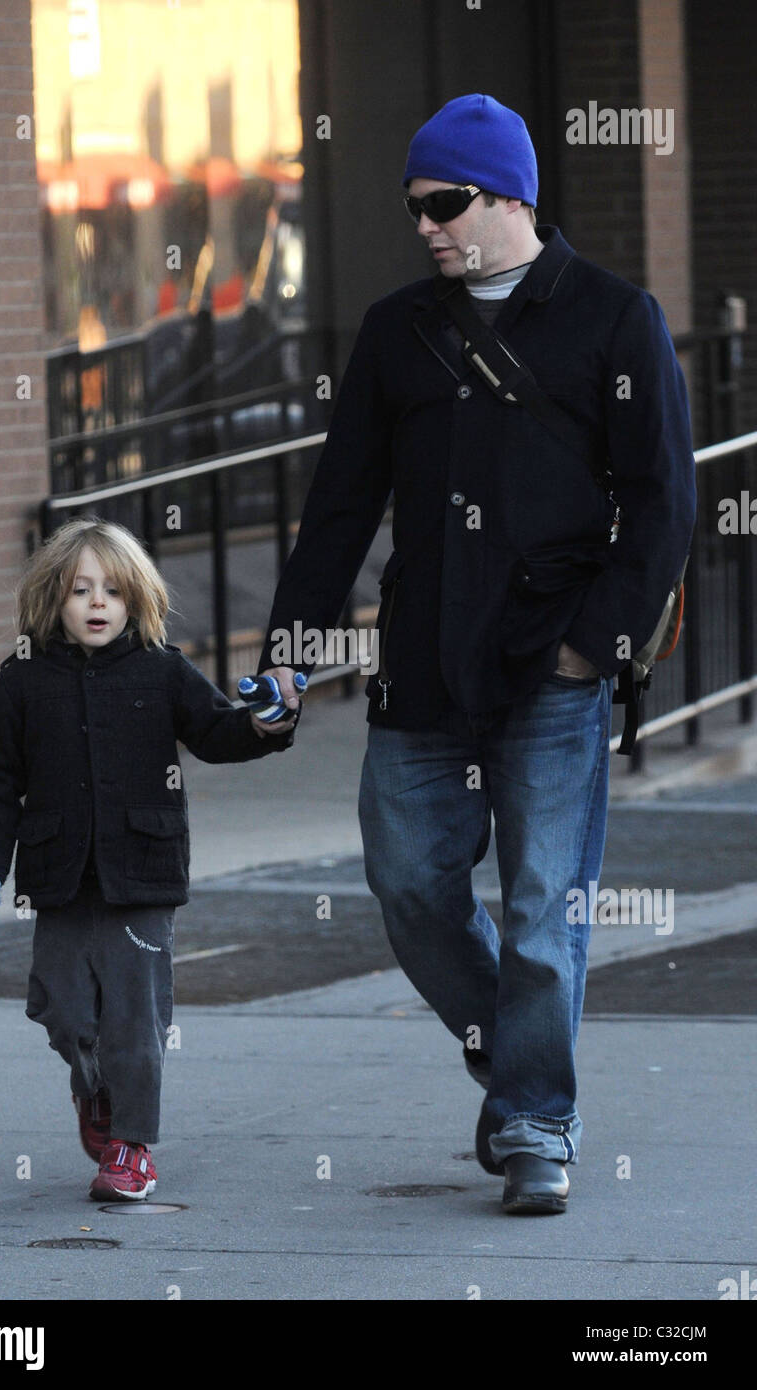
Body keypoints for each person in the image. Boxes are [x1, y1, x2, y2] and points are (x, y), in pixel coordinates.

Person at [256, 94, 695, 1213]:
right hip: (422, 663)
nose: (426, 227)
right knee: (408, 882)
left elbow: (662, 506)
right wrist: (292, 647)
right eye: (415, 208)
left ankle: (537, 1120)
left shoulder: (613, 318)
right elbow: (342, 504)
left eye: (444, 204)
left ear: (511, 197)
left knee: (547, 902)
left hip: (553, 666)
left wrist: (593, 649)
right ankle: (513, 1046)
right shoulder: (398, 330)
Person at [0, 517, 297, 1201]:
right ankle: (98, 1093)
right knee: (59, 1009)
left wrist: (266, 722)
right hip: (59, 876)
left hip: (141, 873)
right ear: (52, 598)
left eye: (112, 591)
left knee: (134, 1020)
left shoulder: (162, 669)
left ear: (135, 600)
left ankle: (134, 1147)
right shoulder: (23, 679)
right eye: (80, 590)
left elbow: (219, 732)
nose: (96, 604)